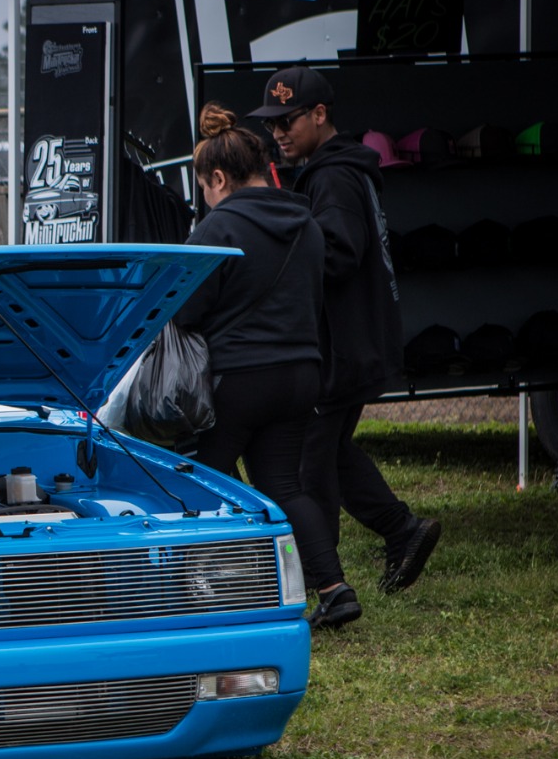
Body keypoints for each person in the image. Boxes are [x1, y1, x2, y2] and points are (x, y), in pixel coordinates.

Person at [249, 66, 441, 600]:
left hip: (344, 345)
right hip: (359, 339)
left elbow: (338, 253)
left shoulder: (331, 176)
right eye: (272, 125)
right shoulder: (336, 169)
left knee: (312, 460)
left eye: (288, 121)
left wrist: (280, 261)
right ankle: (402, 530)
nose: (278, 134)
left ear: (319, 115)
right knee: (329, 450)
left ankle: (324, 584)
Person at [174, 102, 358, 629]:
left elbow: (188, 310)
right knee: (284, 486)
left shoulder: (217, 230)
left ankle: (216, 592)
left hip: (239, 378)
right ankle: (334, 588)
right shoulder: (306, 222)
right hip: (302, 373)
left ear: (217, 177)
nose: (205, 199)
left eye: (204, 188)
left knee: (203, 480)